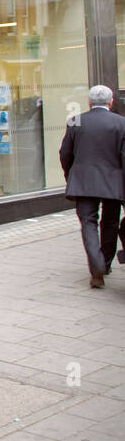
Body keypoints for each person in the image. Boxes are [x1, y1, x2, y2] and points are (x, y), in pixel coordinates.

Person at [59, 84, 125, 288]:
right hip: (113, 183)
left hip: (83, 181)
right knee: (110, 223)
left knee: (88, 223)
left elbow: (65, 153)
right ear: (111, 102)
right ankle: (104, 263)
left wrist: (71, 174)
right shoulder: (121, 122)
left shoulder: (76, 120)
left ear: (88, 103)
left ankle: (96, 268)